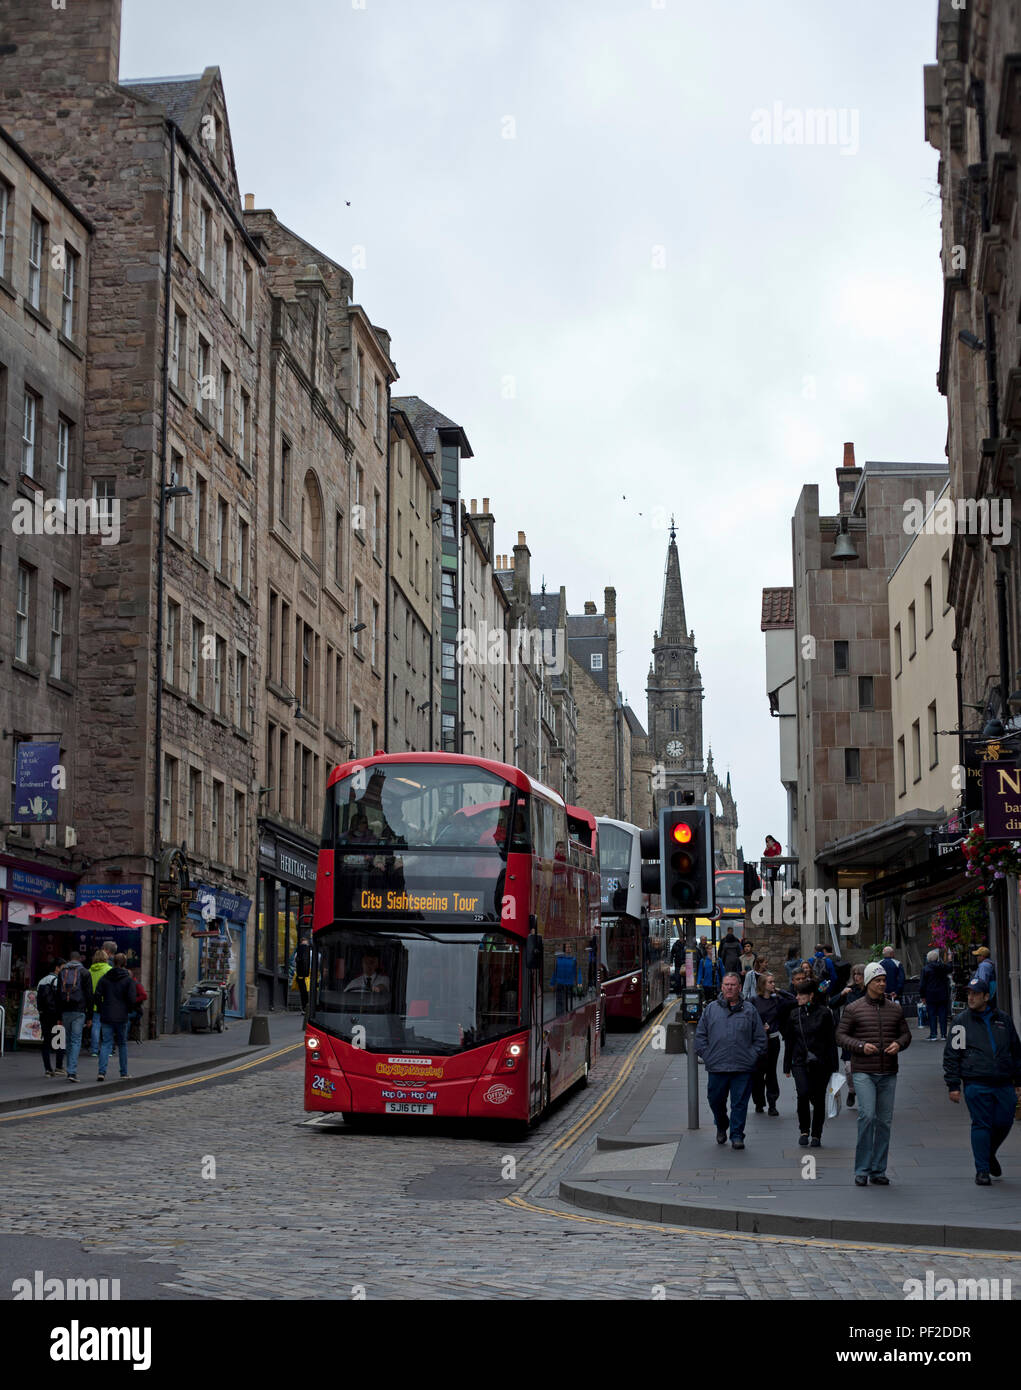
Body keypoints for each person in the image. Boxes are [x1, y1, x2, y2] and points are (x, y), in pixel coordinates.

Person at [836, 961, 912, 1185]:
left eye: (884, 980)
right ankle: (862, 1169)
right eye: (878, 980)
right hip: (864, 1071)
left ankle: (878, 1170)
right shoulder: (854, 1008)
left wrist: (899, 1044)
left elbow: (906, 1035)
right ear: (868, 982)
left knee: (884, 1122)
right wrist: (860, 1046)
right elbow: (840, 1036)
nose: (882, 984)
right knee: (867, 1116)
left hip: (888, 1071)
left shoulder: (895, 1009)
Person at [944, 975, 1021, 1185]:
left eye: (976, 994)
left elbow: (1016, 1050)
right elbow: (952, 1054)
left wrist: (1019, 1081)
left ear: (986, 996)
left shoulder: (1003, 1019)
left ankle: (988, 1155)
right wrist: (953, 1084)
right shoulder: (962, 1021)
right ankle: (982, 1171)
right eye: (969, 993)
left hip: (1004, 1082)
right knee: (981, 1124)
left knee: (1004, 1122)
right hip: (976, 1081)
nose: (971, 997)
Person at [693, 972, 767, 1149]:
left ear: (739, 987)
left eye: (733, 985)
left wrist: (752, 1056)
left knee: (739, 1104)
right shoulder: (711, 1009)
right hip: (717, 1066)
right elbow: (700, 1036)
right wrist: (708, 1055)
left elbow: (760, 1038)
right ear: (721, 987)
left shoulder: (749, 1010)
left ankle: (737, 1135)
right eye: (726, 984)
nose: (729, 987)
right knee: (715, 1101)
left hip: (742, 1067)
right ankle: (721, 1125)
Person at [782, 975, 839, 1146]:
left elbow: (831, 1040)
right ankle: (804, 1130)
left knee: (819, 1097)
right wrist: (787, 1065)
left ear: (811, 995)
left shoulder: (824, 1013)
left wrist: (834, 1066)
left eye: (801, 995)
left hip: (821, 1062)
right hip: (799, 1060)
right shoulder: (794, 1014)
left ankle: (816, 1134)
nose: (797, 997)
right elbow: (790, 1041)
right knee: (803, 1093)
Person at [94, 953, 137, 1081]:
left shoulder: (105, 978)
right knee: (122, 1044)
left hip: (107, 1014)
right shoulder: (128, 980)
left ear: (113, 962)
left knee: (106, 1044)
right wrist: (128, 1010)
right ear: (124, 964)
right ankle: (123, 1072)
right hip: (121, 1015)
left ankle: (101, 1072)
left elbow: (97, 995)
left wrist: (101, 1008)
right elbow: (132, 999)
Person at [830, 963, 866, 1106]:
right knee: (849, 1068)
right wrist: (841, 994)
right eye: (855, 974)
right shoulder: (850, 991)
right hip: (849, 1035)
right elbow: (832, 1004)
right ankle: (852, 1090)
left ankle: (864, 1095)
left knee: (864, 1068)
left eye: (860, 974)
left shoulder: (870, 991)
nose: (857, 977)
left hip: (865, 1033)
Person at [56, 951, 94, 1083]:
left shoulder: (62, 972)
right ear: (79, 960)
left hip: (65, 1011)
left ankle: (69, 1068)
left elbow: (58, 995)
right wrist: (90, 1016)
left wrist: (59, 1015)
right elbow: (89, 995)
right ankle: (72, 1071)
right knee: (76, 1040)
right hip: (79, 1010)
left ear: (69, 959)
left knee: (68, 1040)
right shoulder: (85, 973)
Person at [751, 972, 784, 1116]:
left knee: (771, 1072)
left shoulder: (777, 1000)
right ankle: (759, 1102)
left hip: (772, 1040)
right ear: (763, 985)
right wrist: (758, 1028)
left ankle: (772, 1103)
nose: (773, 984)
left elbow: (792, 1000)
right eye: (770, 982)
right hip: (758, 1042)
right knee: (758, 1073)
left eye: (773, 982)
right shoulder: (753, 1000)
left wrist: (780, 991)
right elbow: (749, 1019)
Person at [36, 958, 66, 1078]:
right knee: (60, 1040)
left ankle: (48, 1069)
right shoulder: (57, 980)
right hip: (55, 1015)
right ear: (57, 968)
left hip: (44, 1015)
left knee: (47, 1042)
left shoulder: (41, 981)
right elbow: (60, 998)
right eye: (63, 967)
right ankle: (59, 1067)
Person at [919, 948, 953, 1041]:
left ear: (928, 959)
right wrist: (950, 959)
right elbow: (950, 968)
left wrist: (922, 996)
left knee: (932, 1014)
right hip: (942, 994)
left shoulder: (925, 969)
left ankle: (933, 1034)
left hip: (930, 995)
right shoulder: (942, 967)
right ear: (937, 958)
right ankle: (943, 1035)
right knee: (943, 1014)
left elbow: (922, 984)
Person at [87, 949, 112, 1058]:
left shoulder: (89, 971)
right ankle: (108, 1050)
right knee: (107, 1026)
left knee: (95, 1026)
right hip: (106, 1002)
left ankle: (94, 1050)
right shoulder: (109, 970)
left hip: (93, 1002)